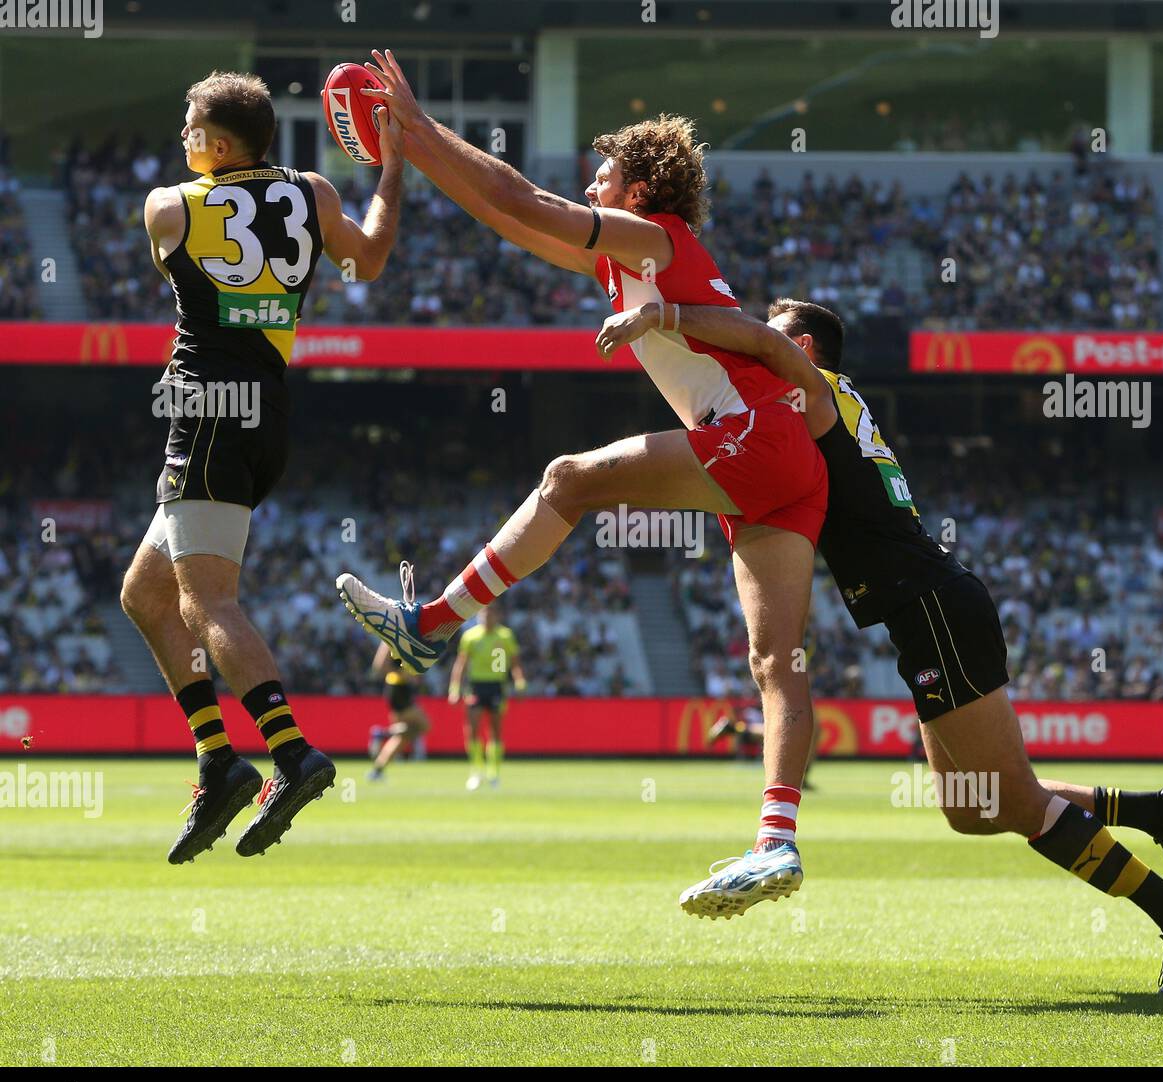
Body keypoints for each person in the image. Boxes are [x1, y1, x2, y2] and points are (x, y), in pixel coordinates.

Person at [597, 298, 1163, 994]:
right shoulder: (821, 403)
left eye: (772, 341)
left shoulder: (810, 389)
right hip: (922, 610)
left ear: (803, 346)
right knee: (969, 805)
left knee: (1011, 798)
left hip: (931, 607)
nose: (757, 353)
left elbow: (747, 355)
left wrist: (665, 316)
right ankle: (1154, 811)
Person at [335, 50, 824, 919]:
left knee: (568, 480)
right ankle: (776, 841)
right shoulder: (626, 258)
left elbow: (529, 203)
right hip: (786, 464)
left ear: (639, 190)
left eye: (603, 174)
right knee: (775, 662)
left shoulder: (654, 237)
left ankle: (430, 626)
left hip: (748, 436)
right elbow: (506, 214)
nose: (589, 183)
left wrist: (416, 125)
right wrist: (413, 151)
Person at [118, 70, 403, 863]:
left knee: (207, 598)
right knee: (146, 593)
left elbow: (178, 263)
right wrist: (393, 163)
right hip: (264, 412)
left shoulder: (169, 206)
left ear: (213, 141)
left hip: (205, 409)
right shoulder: (314, 192)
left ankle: (290, 754)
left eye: (189, 125)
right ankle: (218, 760)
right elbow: (371, 258)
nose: (181, 137)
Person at [447, 604, 525, 790]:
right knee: (472, 728)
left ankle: (494, 772)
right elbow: (461, 664)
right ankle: (476, 770)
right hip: (476, 686)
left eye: (490, 613)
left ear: (497, 615)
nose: (487, 617)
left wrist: (520, 681)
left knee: (495, 730)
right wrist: (455, 688)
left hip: (497, 686)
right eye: (484, 613)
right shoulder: (470, 636)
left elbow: (515, 663)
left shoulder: (505, 636)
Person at [367, 641, 430, 782]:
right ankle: (381, 733)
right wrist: (402, 673)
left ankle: (377, 770)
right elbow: (379, 666)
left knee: (405, 735)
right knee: (425, 725)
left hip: (402, 688)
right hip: (397, 688)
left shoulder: (407, 637)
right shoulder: (389, 637)